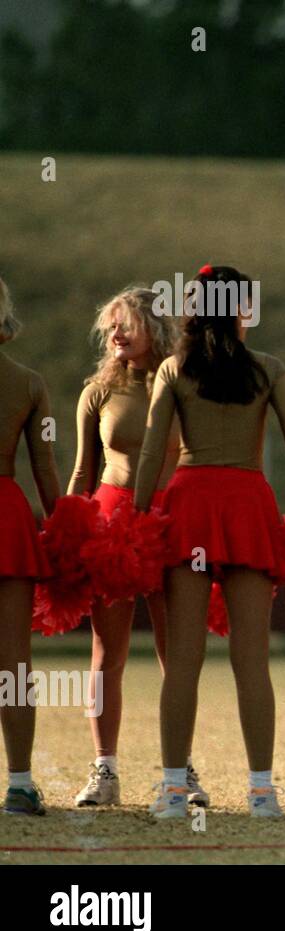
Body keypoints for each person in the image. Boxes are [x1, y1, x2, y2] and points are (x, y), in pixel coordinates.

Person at [134, 264, 285, 819]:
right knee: (252, 660)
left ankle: (173, 790)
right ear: (242, 309)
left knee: (183, 661)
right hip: (247, 505)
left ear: (193, 308)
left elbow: (151, 452)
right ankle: (262, 791)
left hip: (189, 504)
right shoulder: (269, 369)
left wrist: (137, 517)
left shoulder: (175, 368)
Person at [66, 287, 210, 808]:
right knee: (108, 652)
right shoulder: (98, 391)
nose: (116, 334)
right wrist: (66, 528)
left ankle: (181, 769)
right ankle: (104, 771)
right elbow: (83, 470)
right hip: (112, 521)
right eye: (110, 327)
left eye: (125, 323)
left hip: (174, 521)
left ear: (155, 325)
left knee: (179, 652)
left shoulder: (185, 381)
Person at [0, 275, 60, 816]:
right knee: (14, 663)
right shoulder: (28, 383)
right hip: (9, 518)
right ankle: (19, 783)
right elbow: (45, 470)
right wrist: (64, 531)